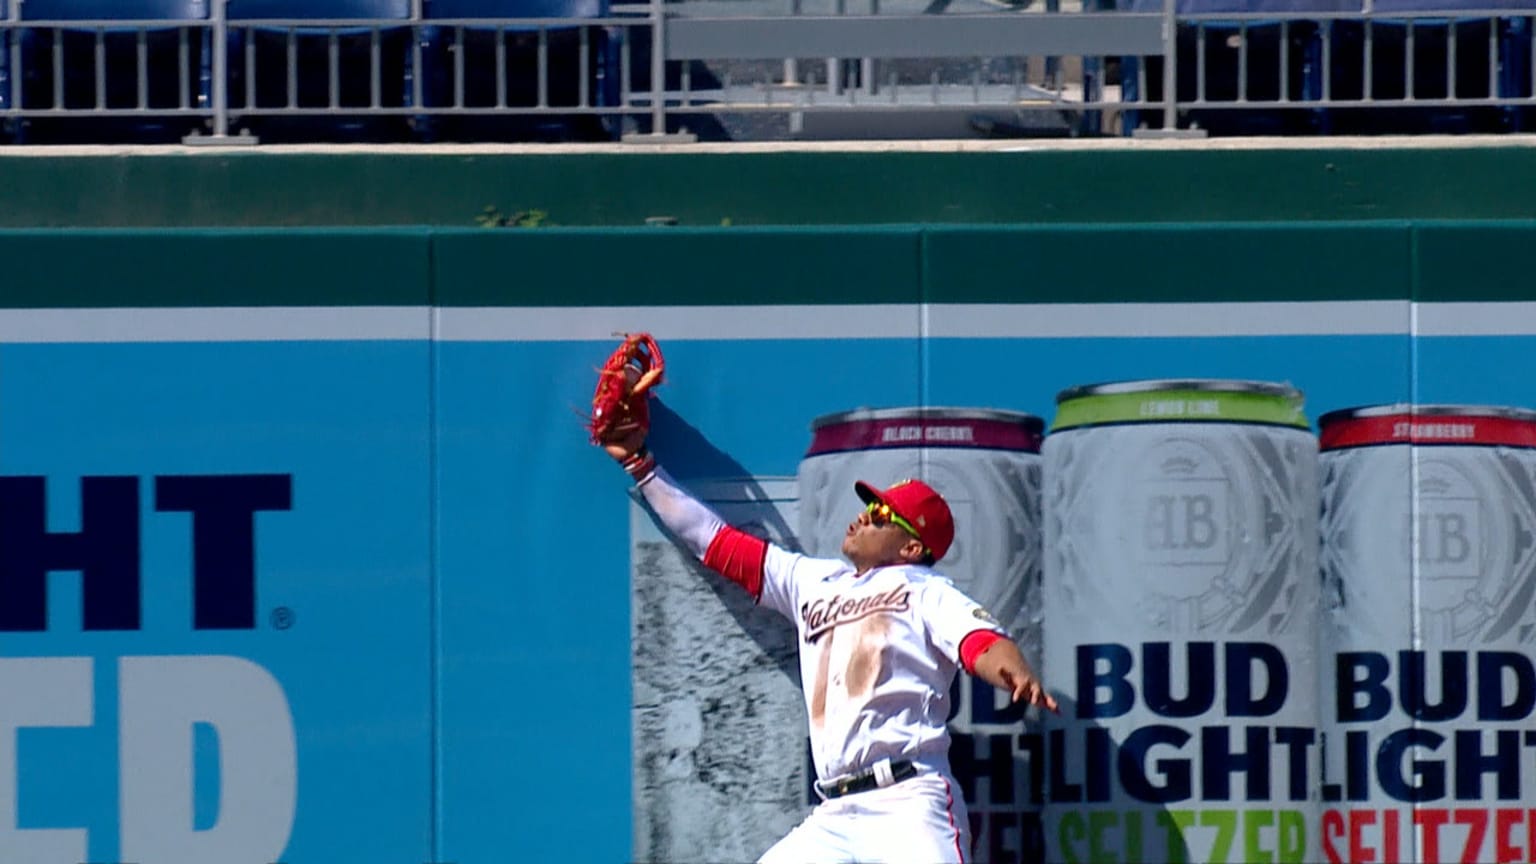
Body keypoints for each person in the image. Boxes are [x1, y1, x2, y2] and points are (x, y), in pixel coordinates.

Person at [602, 423, 1058, 864]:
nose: (863, 516)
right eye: (868, 506)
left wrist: (1011, 668)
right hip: (834, 812)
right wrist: (644, 468)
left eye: (881, 514)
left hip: (908, 802)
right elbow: (716, 542)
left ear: (912, 548)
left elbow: (978, 638)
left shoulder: (926, 589)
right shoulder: (814, 581)